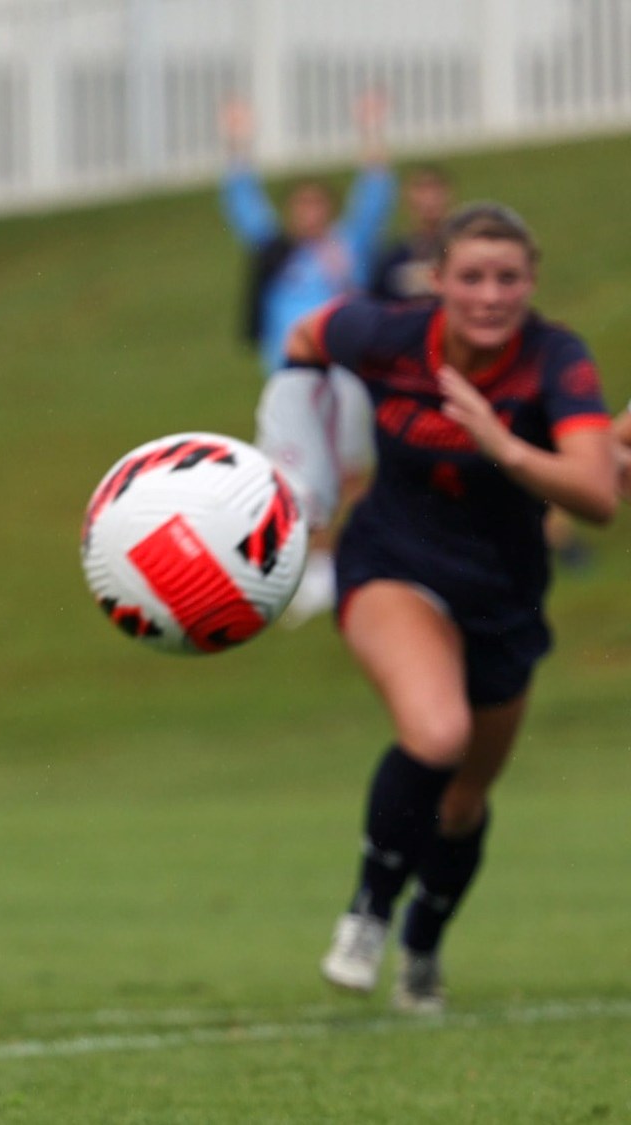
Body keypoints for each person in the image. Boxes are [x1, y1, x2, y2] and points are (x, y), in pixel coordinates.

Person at [282, 204, 615, 1013]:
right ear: (438, 282)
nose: (490, 295)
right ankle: (366, 913)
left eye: (509, 278)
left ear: (532, 284)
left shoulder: (555, 361)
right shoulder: (385, 335)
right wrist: (298, 459)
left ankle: (423, 945)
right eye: (471, 276)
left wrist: (505, 446)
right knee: (435, 733)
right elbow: (303, 342)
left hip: (502, 596)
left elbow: (599, 493)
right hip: (391, 563)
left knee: (463, 802)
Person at [221, 94, 395, 624]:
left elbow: (377, 191)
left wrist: (370, 128)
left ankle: (353, 561)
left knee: (350, 471)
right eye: (303, 208)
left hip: (345, 374)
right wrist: (237, 141)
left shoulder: (348, 246)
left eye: (319, 206)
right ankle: (315, 571)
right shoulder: (277, 252)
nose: (311, 216)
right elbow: (241, 199)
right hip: (291, 380)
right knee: (296, 475)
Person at [371, 165, 453, 301]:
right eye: (421, 191)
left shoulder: (460, 249)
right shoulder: (394, 258)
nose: (429, 199)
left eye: (434, 189)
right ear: (407, 199)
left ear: (448, 194)